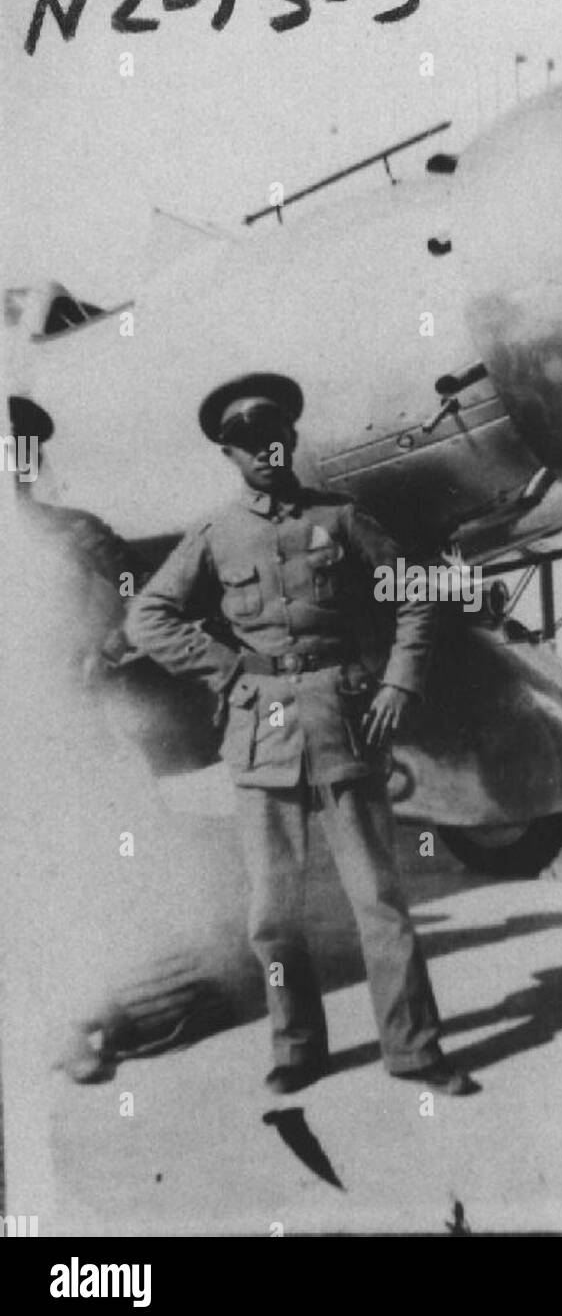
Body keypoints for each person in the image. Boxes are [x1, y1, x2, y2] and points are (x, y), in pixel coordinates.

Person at [126, 373, 477, 1096]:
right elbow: (149, 617)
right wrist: (226, 670)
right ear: (230, 454)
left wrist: (398, 682)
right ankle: (297, 1047)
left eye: (275, 436)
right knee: (272, 916)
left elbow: (415, 594)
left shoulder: (342, 519)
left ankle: (414, 1049)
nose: (266, 451)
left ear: (289, 438)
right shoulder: (216, 534)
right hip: (261, 737)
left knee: (379, 901)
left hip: (343, 723)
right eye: (249, 443)